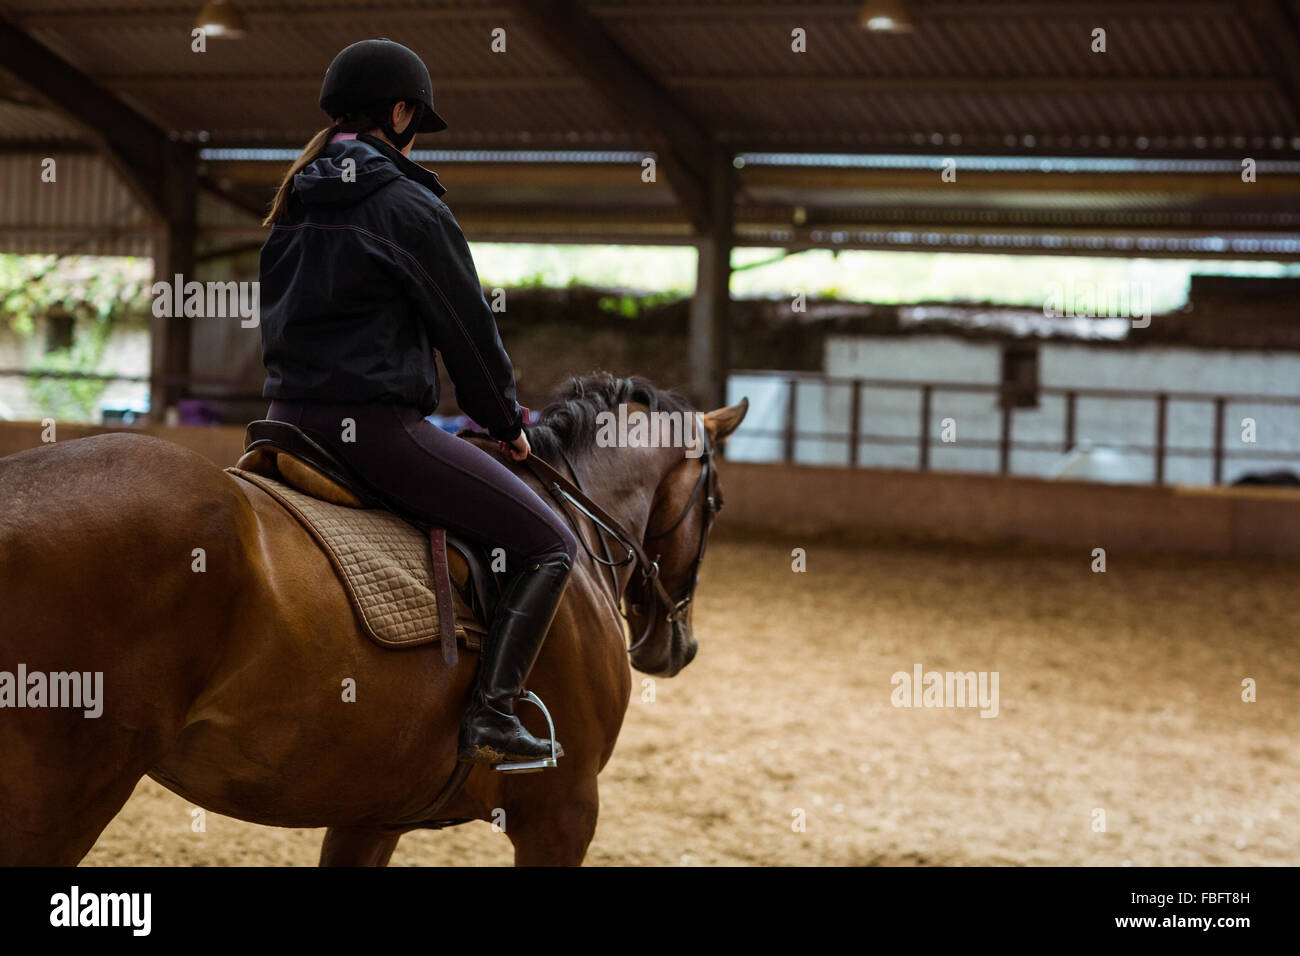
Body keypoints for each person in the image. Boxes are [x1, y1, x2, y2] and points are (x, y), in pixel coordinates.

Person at [257, 38, 577, 767]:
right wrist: (505, 422)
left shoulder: (293, 197)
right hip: (371, 432)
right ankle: (493, 716)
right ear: (401, 112)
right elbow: (465, 327)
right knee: (550, 544)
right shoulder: (406, 204)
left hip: (280, 420)